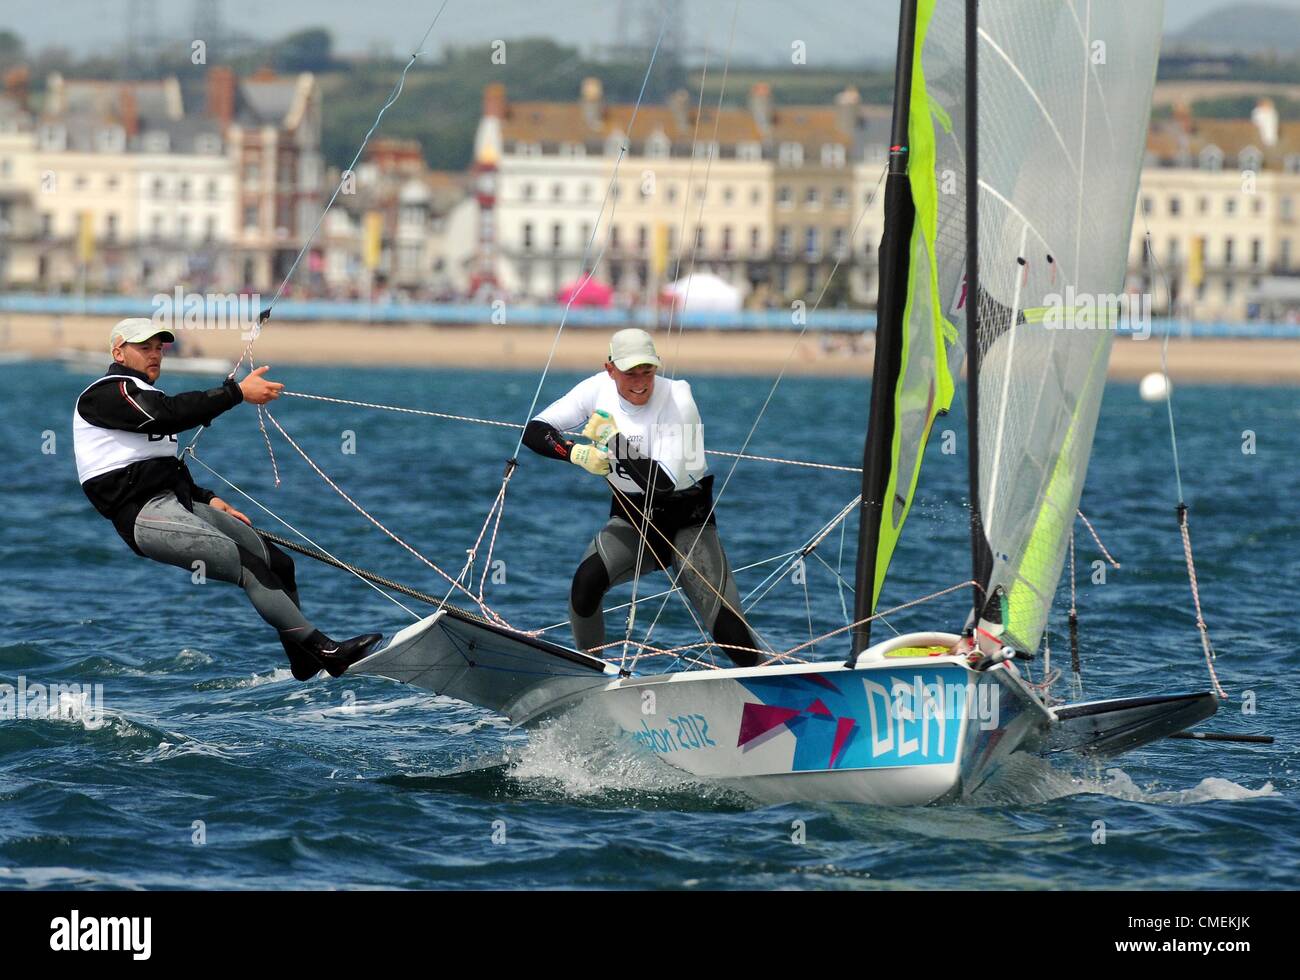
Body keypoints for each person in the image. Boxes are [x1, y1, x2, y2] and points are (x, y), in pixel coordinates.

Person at [72, 317, 381, 680]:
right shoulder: (106, 393)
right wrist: (236, 393)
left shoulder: (143, 395)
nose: (155, 354)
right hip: (142, 516)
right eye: (144, 348)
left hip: (179, 503)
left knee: (279, 563)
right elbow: (167, 415)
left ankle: (303, 660)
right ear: (118, 353)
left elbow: (161, 466)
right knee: (247, 567)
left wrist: (207, 498)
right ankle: (325, 650)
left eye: (159, 348)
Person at [522, 328, 761, 667]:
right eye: (630, 373)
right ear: (610, 369)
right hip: (631, 521)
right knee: (585, 585)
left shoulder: (678, 398)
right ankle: (590, 672)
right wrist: (575, 453)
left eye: (647, 371)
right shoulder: (596, 390)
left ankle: (771, 682)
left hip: (687, 523)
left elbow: (661, 483)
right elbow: (534, 430)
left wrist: (613, 439)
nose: (640, 382)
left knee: (729, 632)